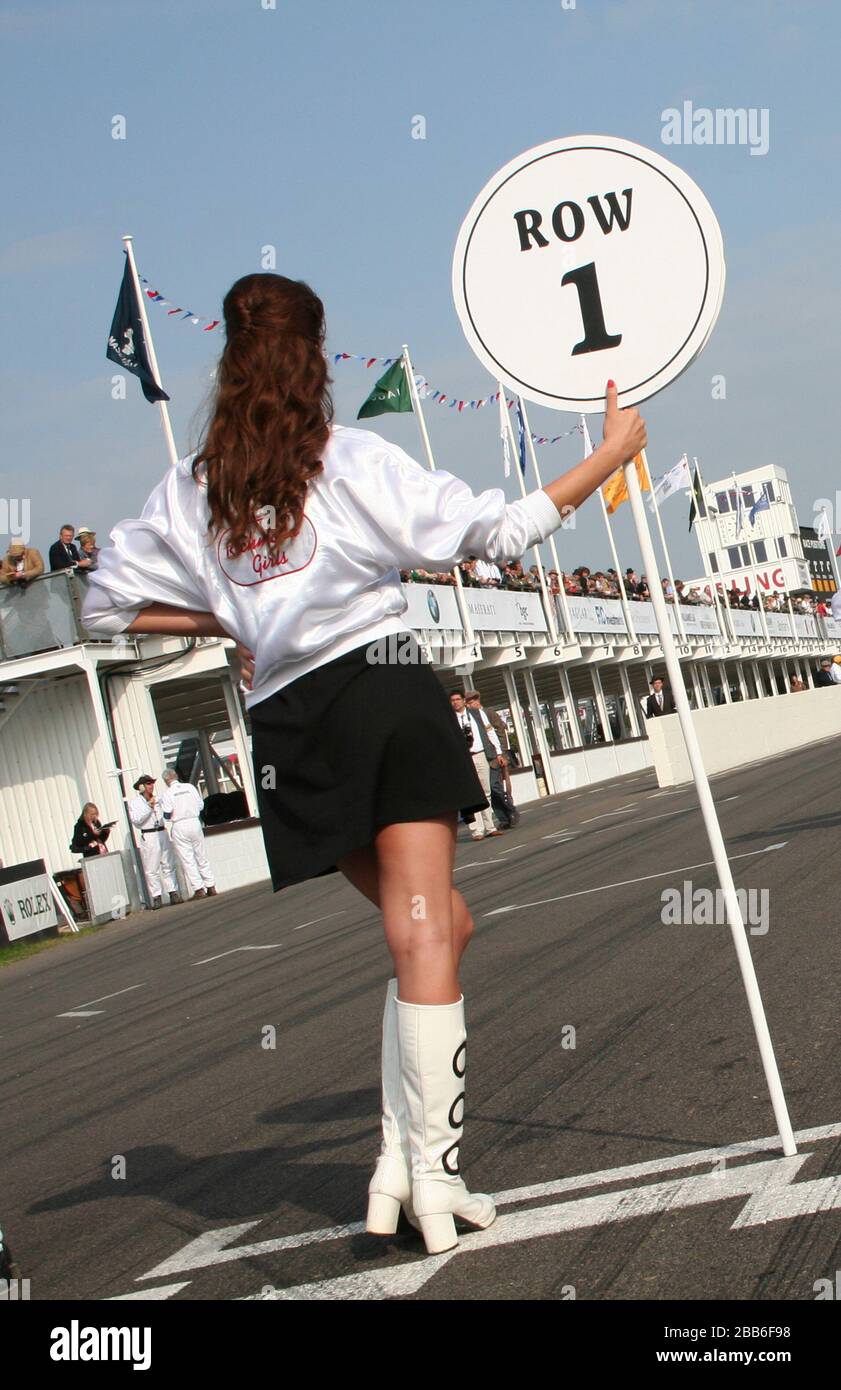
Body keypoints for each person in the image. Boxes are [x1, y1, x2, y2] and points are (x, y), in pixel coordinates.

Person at [80, 272, 646, 1256]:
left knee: (431, 925)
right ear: (312, 357)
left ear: (227, 361)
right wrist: (609, 452)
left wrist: (222, 611)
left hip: (289, 725)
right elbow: (497, 536)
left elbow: (100, 608)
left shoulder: (186, 489)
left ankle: (396, 1160)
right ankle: (434, 1174)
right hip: (382, 684)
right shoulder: (349, 458)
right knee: (429, 928)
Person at [160, 769, 217, 900]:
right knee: (201, 855)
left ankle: (199, 888)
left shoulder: (168, 793)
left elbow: (167, 815)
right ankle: (211, 885)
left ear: (166, 781)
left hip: (180, 824)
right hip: (194, 822)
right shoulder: (190, 787)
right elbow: (201, 805)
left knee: (188, 859)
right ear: (176, 776)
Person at [465, 692, 517, 830]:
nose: (469, 706)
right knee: (489, 790)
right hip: (482, 757)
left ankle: (510, 811)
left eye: (470, 703)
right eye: (467, 704)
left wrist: (503, 754)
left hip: (495, 757)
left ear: (477, 701)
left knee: (495, 787)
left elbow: (501, 733)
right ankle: (504, 818)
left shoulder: (489, 713)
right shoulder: (468, 716)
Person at [127, 775, 181, 909]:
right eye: (148, 783)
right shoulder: (135, 803)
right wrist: (148, 807)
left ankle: (173, 892)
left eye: (152, 783)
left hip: (162, 832)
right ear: (141, 787)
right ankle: (156, 896)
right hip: (149, 834)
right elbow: (136, 820)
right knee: (152, 867)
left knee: (168, 863)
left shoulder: (159, 799)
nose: (151, 786)